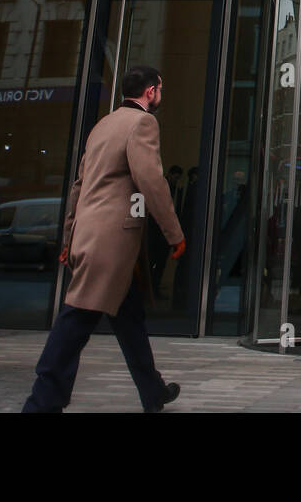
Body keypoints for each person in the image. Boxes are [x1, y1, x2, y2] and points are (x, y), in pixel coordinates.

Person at [22, 65, 185, 413]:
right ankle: (41, 403)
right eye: (161, 89)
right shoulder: (143, 123)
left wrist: (69, 236)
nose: (161, 95)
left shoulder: (103, 124)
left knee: (130, 320)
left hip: (91, 236)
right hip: (110, 243)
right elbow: (151, 181)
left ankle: (152, 391)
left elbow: (78, 186)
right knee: (76, 321)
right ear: (152, 91)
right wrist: (175, 234)